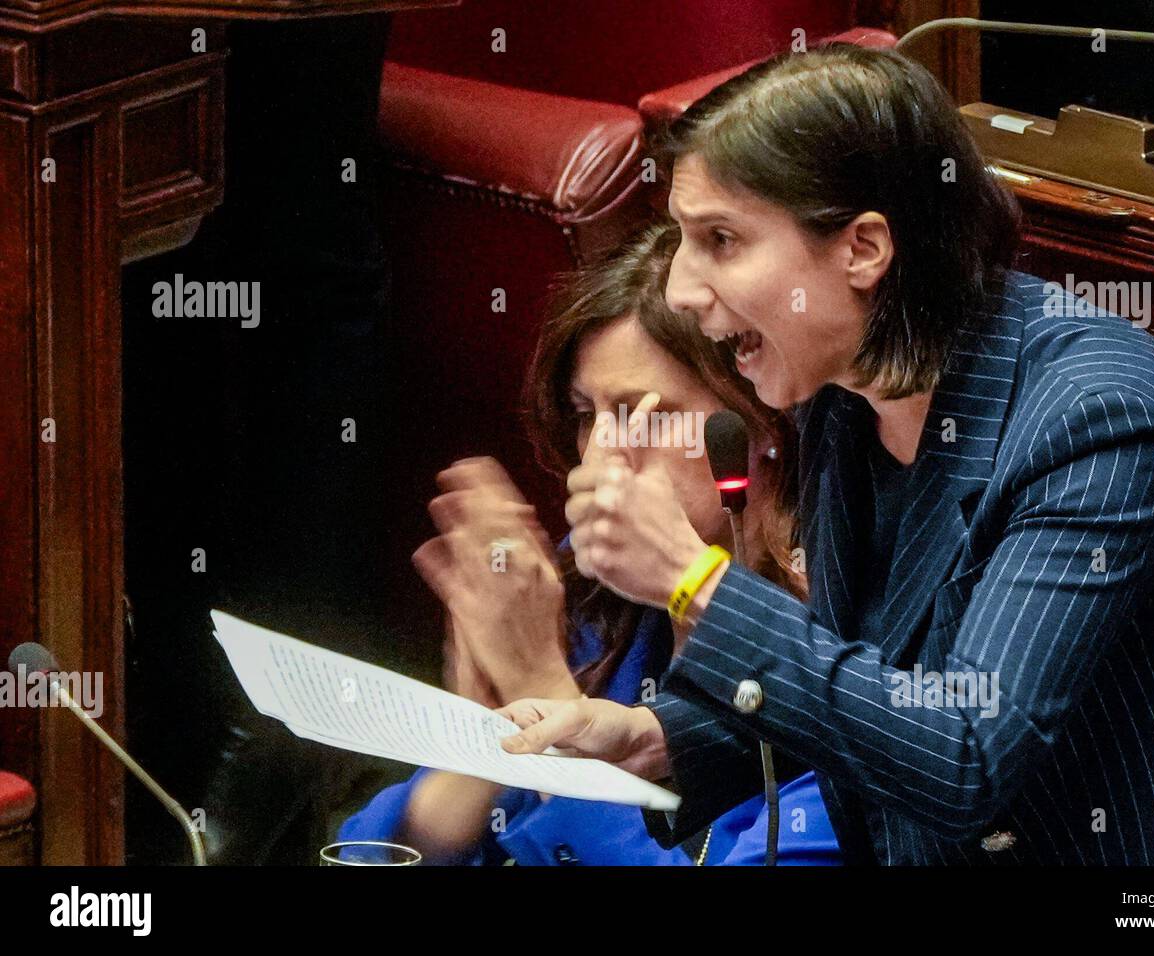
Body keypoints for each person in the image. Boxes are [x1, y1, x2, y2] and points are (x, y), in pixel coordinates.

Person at [498, 44, 1154, 865]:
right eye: (682, 238)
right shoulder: (843, 394)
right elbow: (868, 683)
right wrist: (657, 741)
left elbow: (963, 753)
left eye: (721, 240)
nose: (680, 290)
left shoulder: (1100, 417)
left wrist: (692, 578)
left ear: (864, 249)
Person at [338, 222, 839, 865]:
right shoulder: (598, 576)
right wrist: (479, 749)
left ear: (764, 421)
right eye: (587, 417)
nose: (597, 461)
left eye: (646, 416)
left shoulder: (846, 645)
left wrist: (541, 687)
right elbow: (362, 852)